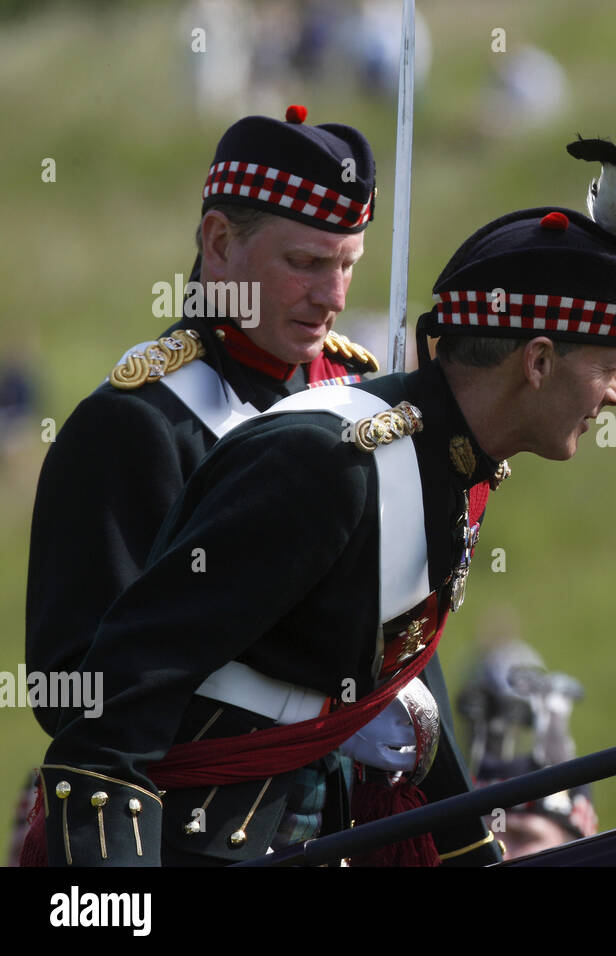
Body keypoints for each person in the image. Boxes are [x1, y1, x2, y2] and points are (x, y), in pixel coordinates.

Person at [39, 193, 616, 865]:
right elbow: (117, 703)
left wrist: (470, 853)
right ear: (538, 362)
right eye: (611, 368)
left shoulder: (453, 463)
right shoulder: (330, 464)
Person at [17, 104, 383, 865]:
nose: (335, 295)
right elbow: (72, 694)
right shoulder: (135, 425)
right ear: (220, 243)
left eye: (347, 263)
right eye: (307, 264)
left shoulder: (356, 403)